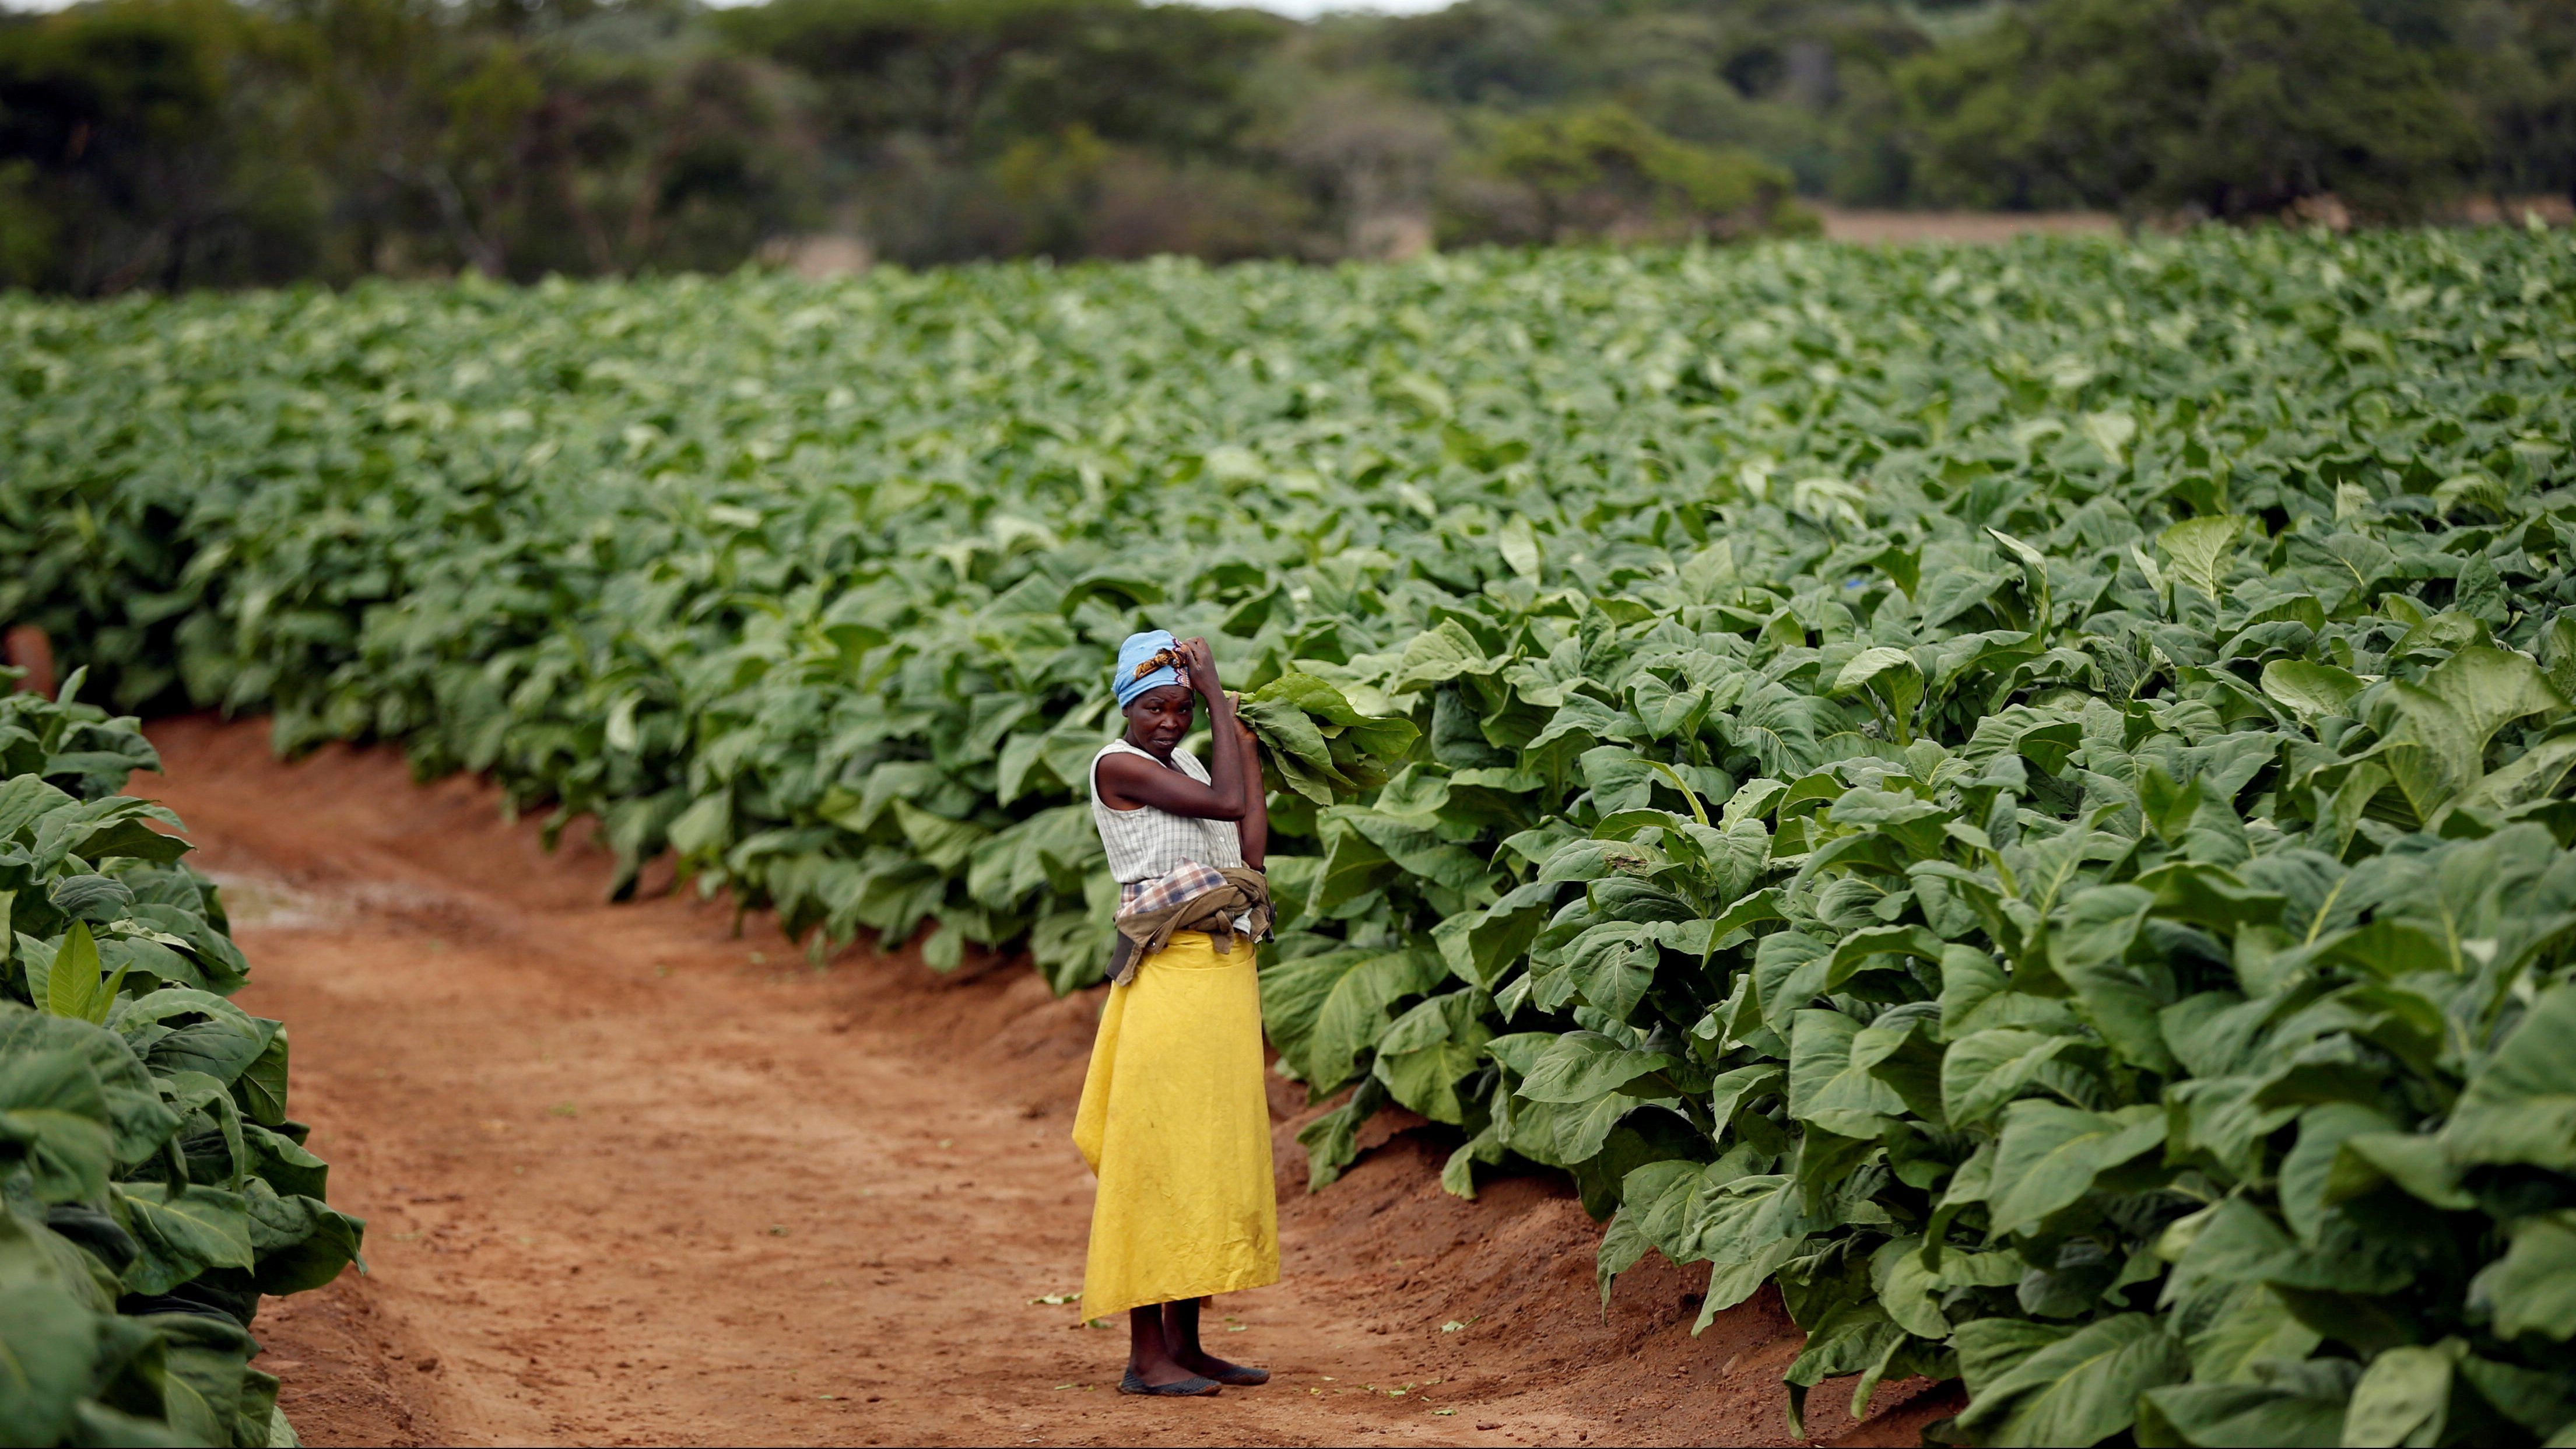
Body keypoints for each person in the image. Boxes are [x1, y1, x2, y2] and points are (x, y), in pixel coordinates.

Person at [1072, 630, 1277, 1397]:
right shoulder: (1116, 765)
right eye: (1154, 705)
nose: (1169, 720)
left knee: (1206, 1157)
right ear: (1126, 704)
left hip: (1221, 977)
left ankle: (1185, 1344)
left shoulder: (1195, 761)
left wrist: (1246, 748)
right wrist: (1218, 690)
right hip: (1168, 978)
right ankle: (1142, 1355)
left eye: (1183, 707)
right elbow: (1222, 803)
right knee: (1155, 1161)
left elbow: (1246, 849)